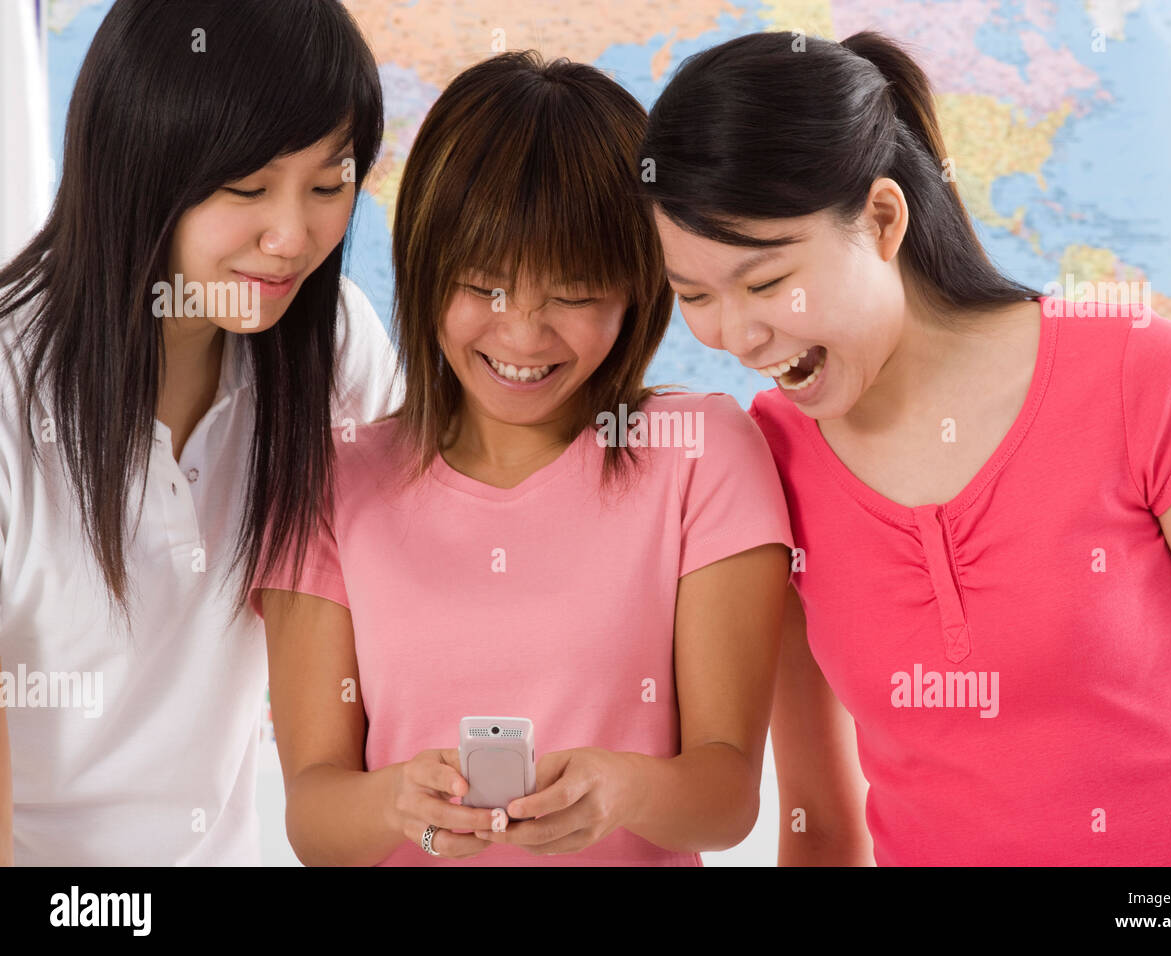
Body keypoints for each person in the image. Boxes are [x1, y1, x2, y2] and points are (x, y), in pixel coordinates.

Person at [640, 29, 1171, 865]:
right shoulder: (772, 453)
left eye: (767, 282)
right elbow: (817, 819)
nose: (736, 332)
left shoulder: (1140, 373)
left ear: (882, 219)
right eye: (693, 294)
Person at [251, 50, 794, 866]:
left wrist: (624, 791)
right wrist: (393, 804)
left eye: (574, 295)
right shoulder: (331, 482)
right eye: (484, 286)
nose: (523, 336)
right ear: (426, 268)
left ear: (636, 291)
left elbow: (726, 798)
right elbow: (313, 818)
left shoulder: (702, 457)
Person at [0, 0, 401, 865]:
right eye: (248, 188)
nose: (293, 237)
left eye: (329, 185)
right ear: (136, 167)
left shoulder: (331, 347)